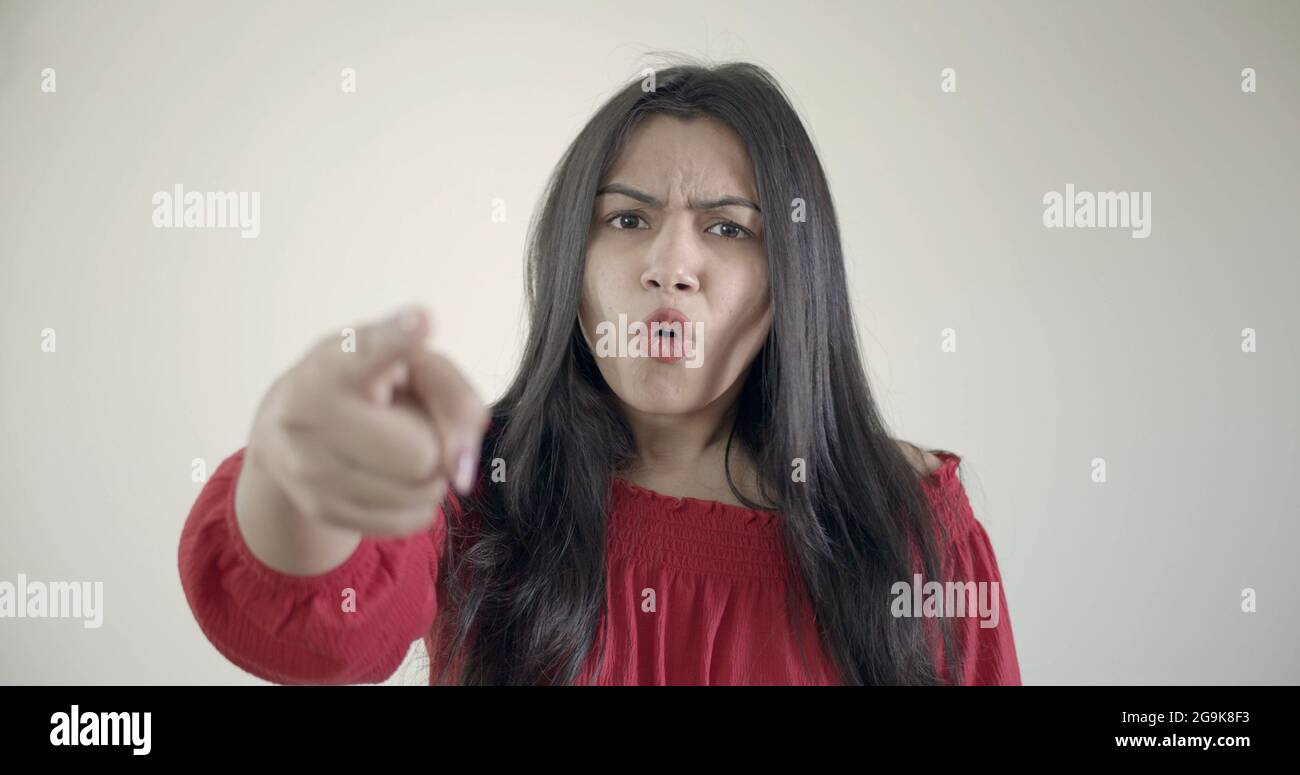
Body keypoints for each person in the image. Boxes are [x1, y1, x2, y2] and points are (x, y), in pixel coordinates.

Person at [178, 60, 1021, 686]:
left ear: (793, 279)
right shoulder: (480, 480)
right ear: (570, 268)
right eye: (626, 218)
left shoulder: (910, 522)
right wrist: (299, 477)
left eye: (728, 229)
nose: (669, 264)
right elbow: (319, 636)